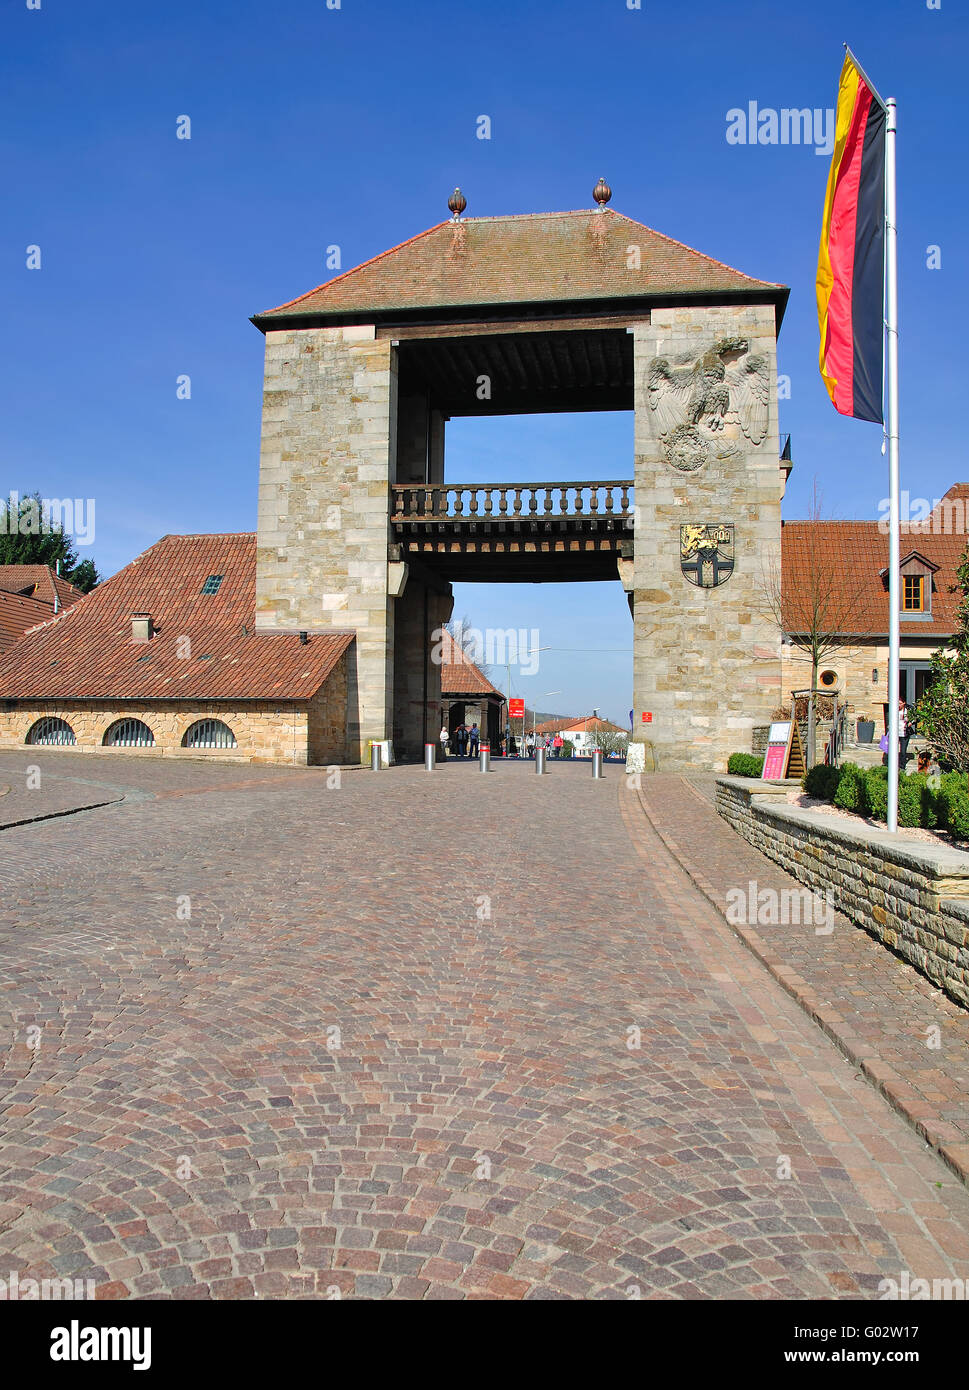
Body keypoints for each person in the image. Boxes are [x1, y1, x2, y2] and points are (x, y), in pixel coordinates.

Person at [898, 698, 912, 769]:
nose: (898, 705)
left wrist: (911, 722)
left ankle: (902, 767)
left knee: (903, 751)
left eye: (900, 703)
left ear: (904, 703)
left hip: (904, 733)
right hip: (896, 733)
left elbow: (915, 718)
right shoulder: (894, 710)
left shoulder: (907, 711)